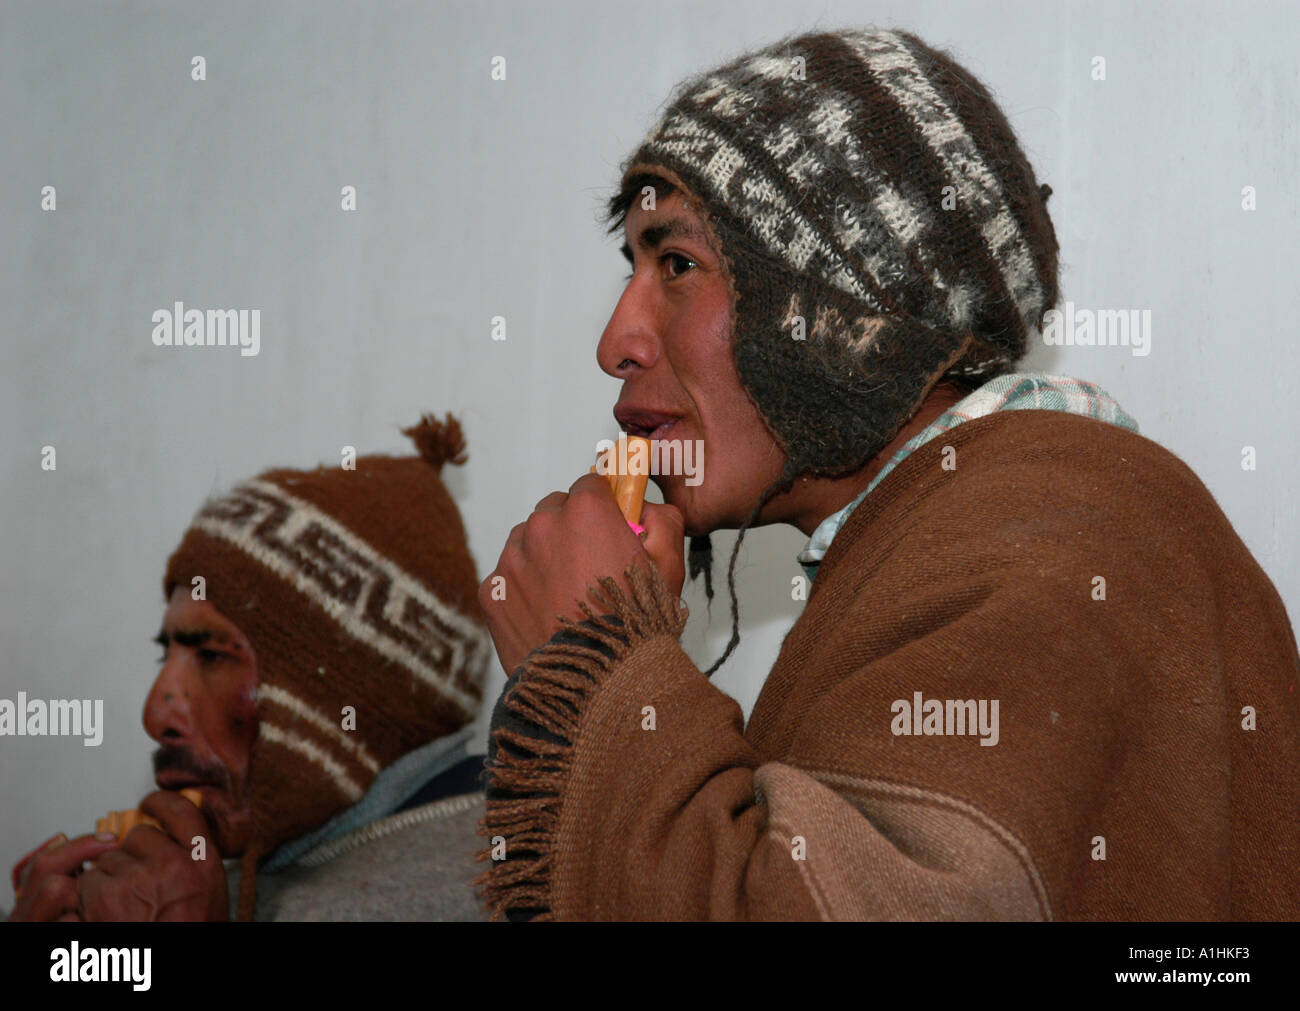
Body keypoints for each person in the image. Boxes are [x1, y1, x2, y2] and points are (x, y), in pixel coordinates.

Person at [472, 27, 1300, 920]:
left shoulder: (1053, 535)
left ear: (842, 307)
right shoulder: (946, 530)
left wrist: (594, 665)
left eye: (677, 264)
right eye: (632, 265)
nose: (614, 344)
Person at [9, 414, 492, 921]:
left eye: (211, 656)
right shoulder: (232, 868)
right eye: (165, 651)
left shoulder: (496, 888)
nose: (156, 714)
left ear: (335, 698)